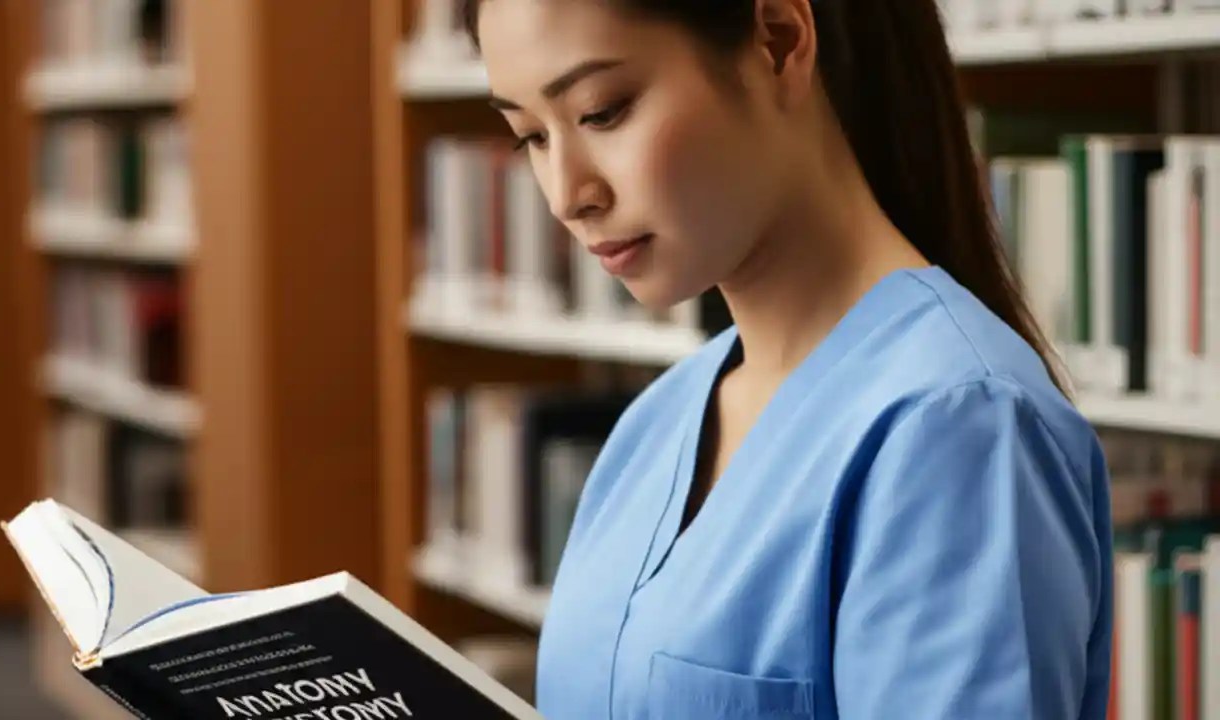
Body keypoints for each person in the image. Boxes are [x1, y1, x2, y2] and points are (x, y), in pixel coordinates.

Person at [463, 0, 1113, 717]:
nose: (567, 195)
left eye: (603, 111)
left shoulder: (959, 430)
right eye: (529, 136)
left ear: (777, 40)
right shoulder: (653, 426)